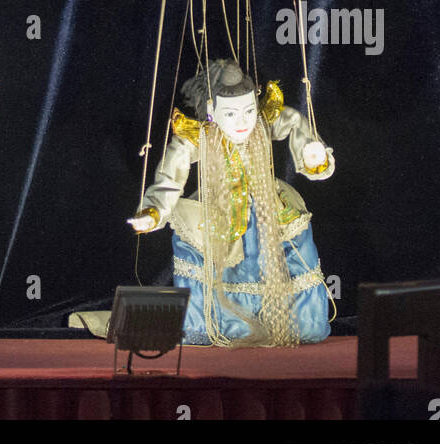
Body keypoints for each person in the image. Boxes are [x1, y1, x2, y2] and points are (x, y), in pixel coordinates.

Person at [129, 59, 334, 347]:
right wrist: (153, 212)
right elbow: (171, 177)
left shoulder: (263, 124)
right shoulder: (200, 136)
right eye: (232, 114)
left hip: (267, 205)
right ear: (212, 111)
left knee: (295, 244)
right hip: (217, 208)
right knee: (196, 249)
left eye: (250, 110)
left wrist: (313, 154)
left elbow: (294, 122)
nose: (243, 122)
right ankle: (208, 324)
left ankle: (302, 322)